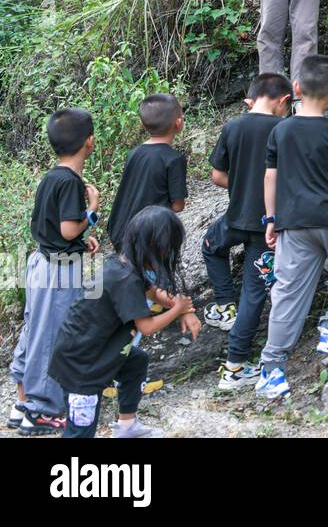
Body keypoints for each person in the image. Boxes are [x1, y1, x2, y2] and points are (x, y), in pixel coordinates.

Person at [256, 54, 328, 399]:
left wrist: (271, 219)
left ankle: (272, 370)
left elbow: (270, 177)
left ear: (296, 88)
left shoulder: (280, 130)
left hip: (293, 226)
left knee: (287, 293)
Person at [48, 205, 200, 438]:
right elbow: (146, 327)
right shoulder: (124, 279)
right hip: (82, 366)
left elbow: (155, 293)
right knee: (80, 432)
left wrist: (183, 309)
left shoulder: (124, 265)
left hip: (98, 349)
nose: (168, 255)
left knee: (136, 361)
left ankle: (127, 427)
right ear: (156, 246)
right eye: (168, 249)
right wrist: (178, 309)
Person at [8, 108, 101, 436]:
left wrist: (82, 240)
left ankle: (22, 403)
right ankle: (41, 411)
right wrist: (91, 212)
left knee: (35, 330)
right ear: (89, 142)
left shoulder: (52, 177)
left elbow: (54, 228)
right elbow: (66, 229)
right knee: (50, 338)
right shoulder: (70, 182)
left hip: (41, 262)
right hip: (58, 272)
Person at [203, 72, 292, 391]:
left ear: (249, 100)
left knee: (210, 246)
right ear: (283, 100)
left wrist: (242, 184)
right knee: (254, 295)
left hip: (234, 218)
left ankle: (225, 305)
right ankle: (235, 367)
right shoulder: (284, 129)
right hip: (266, 227)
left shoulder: (232, 127)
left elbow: (216, 175)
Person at [107, 93, 187, 252]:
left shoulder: (134, 153)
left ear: (143, 125)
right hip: (147, 236)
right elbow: (178, 206)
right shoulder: (174, 159)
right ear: (178, 123)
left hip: (119, 230)